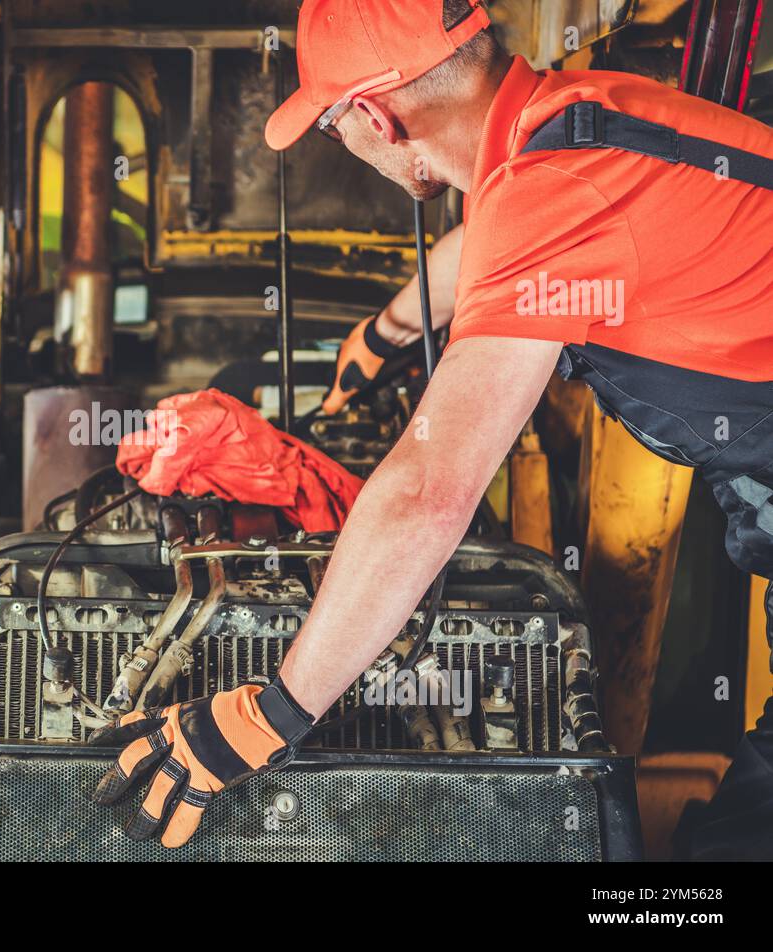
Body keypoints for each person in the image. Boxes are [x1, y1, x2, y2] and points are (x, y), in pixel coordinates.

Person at [91, 0, 773, 859]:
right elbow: (499, 233)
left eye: (336, 130)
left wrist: (269, 716)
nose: (350, 144)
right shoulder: (567, 117)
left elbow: (425, 491)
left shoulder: (552, 189)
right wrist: (386, 334)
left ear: (375, 115)